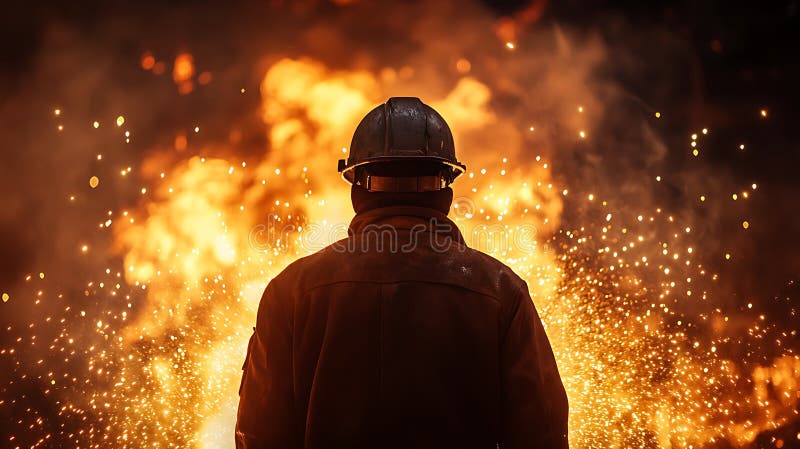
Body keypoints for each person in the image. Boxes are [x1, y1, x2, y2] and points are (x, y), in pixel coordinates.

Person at [236, 97, 568, 449]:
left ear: (356, 188)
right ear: (447, 189)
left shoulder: (291, 290)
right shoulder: (501, 291)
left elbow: (260, 434)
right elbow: (541, 435)